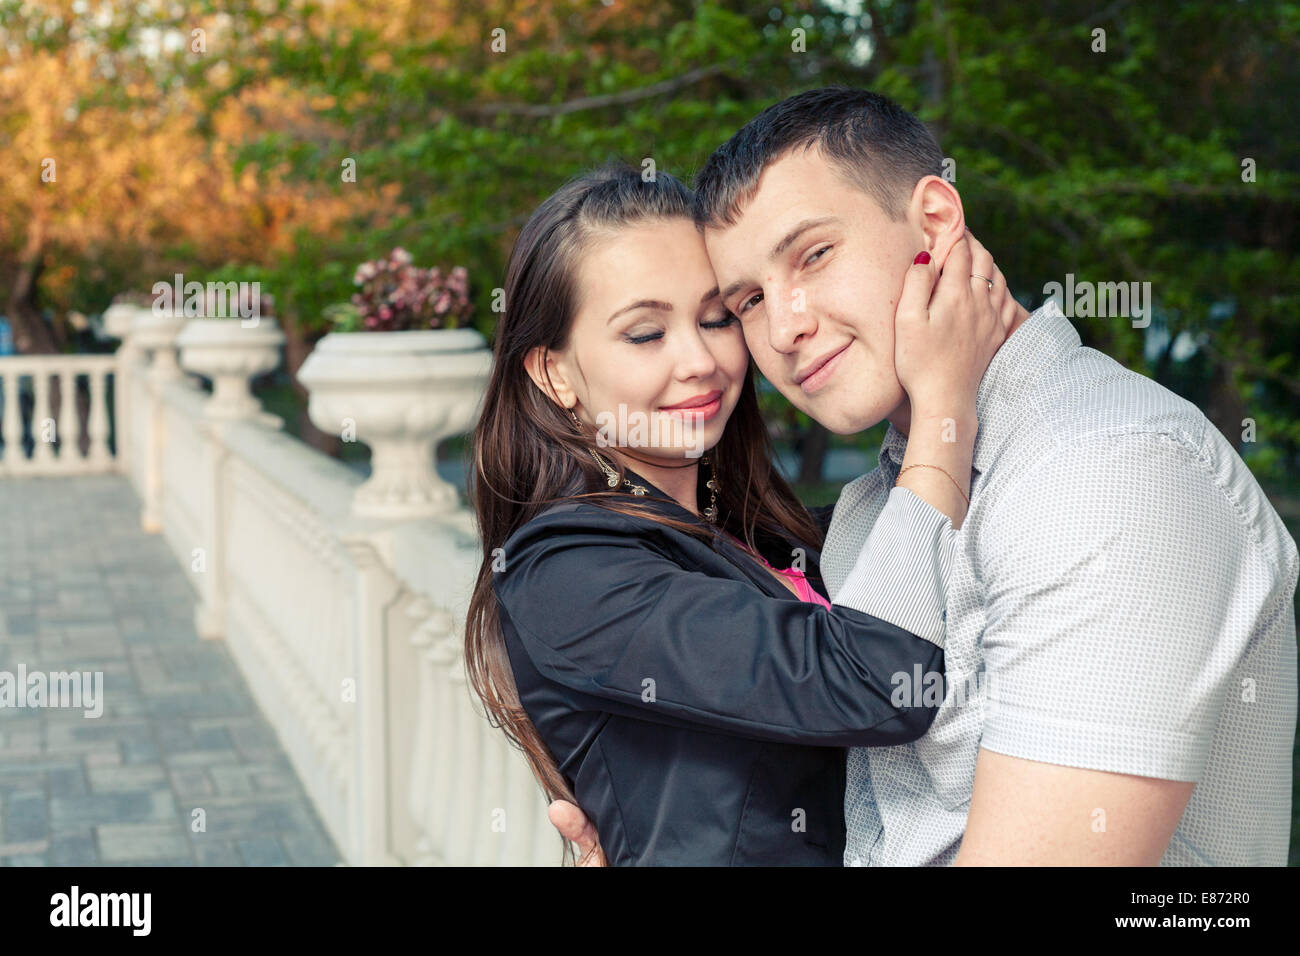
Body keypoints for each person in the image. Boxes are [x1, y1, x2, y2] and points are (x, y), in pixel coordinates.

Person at [553, 86, 1298, 867]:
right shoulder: (879, 506)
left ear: (936, 222)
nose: (785, 325)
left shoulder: (1109, 473)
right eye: (747, 301)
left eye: (814, 254)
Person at [465, 162, 1014, 865]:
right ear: (554, 373)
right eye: (645, 333)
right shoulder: (567, 574)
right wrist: (943, 403)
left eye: (717, 318)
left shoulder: (772, 535)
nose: (701, 360)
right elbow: (877, 684)